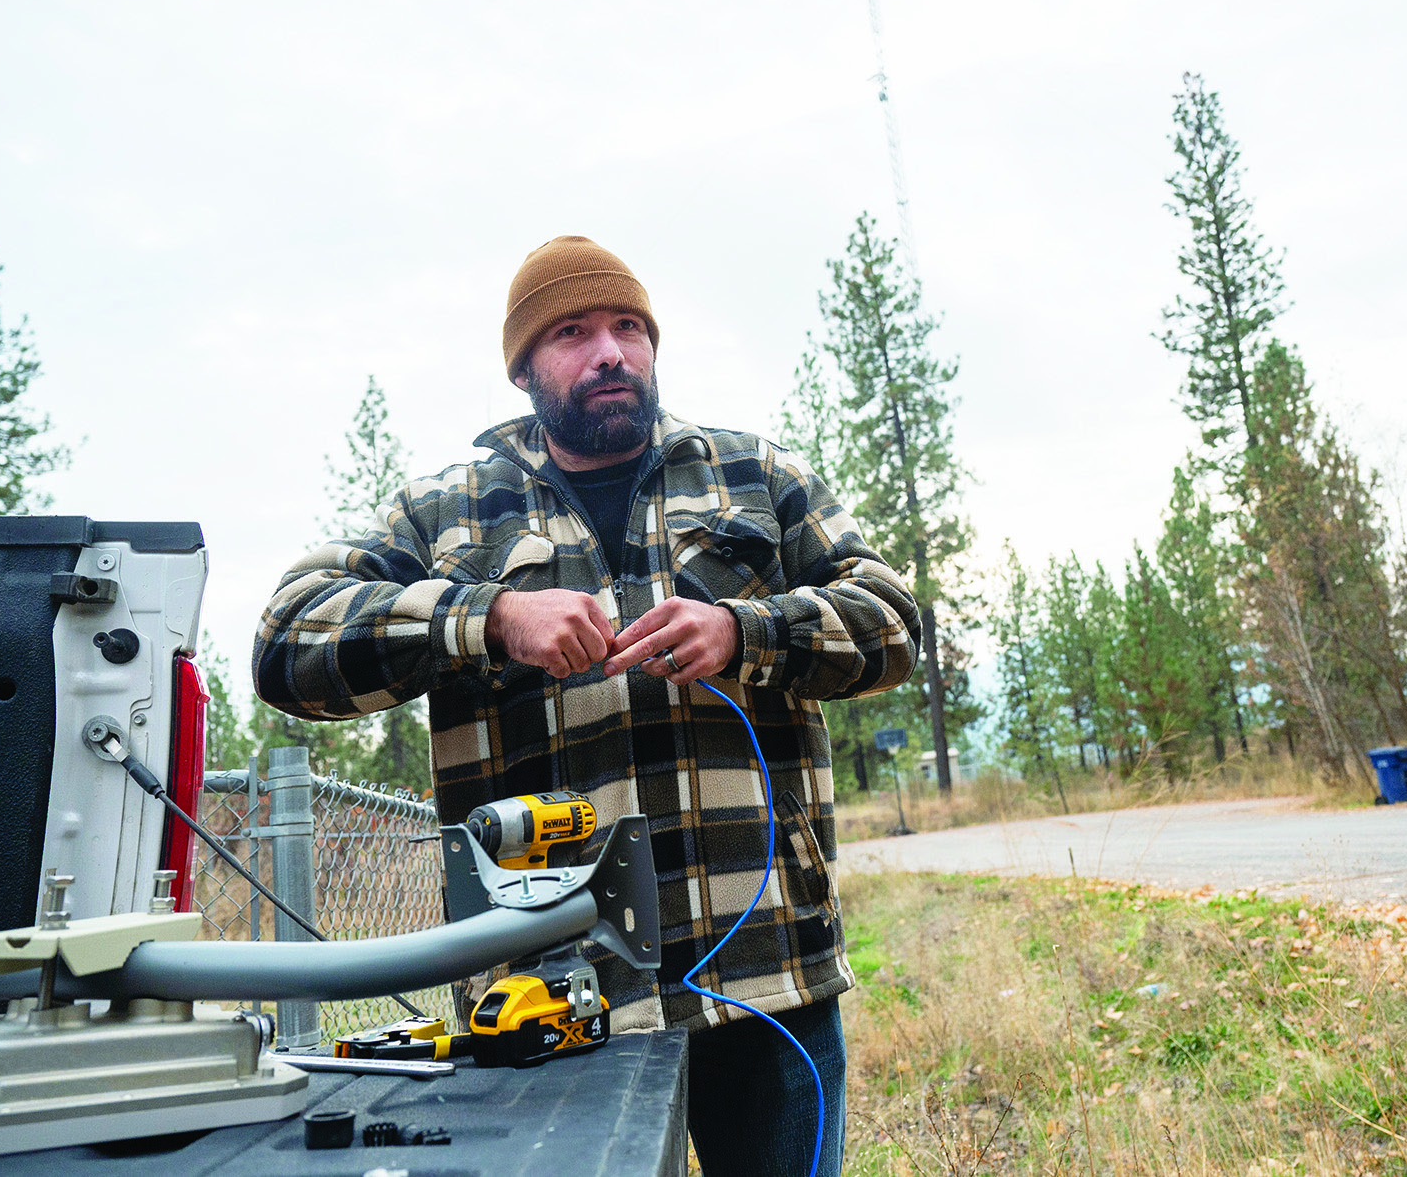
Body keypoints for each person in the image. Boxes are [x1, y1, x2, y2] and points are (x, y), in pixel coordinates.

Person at [252, 234, 919, 1176]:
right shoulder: (446, 513)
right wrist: (488, 618)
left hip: (768, 974)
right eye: (573, 332)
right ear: (525, 367)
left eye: (628, 328)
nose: (609, 351)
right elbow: (286, 643)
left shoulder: (754, 474)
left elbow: (893, 621)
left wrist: (746, 630)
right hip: (546, 992)